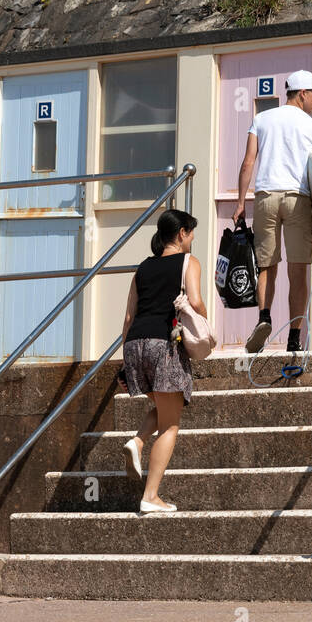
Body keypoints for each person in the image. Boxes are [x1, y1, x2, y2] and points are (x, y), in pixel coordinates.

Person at [233, 69, 312, 353]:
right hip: (297, 198)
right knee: (298, 268)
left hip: (265, 196)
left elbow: (248, 163)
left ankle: (264, 318)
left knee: (267, 265)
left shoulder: (261, 119)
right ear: (302, 94)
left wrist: (241, 203)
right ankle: (293, 339)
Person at [119, 209, 206, 512]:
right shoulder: (188, 262)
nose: (192, 239)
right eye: (191, 233)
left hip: (135, 346)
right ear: (181, 233)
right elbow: (194, 301)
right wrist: (203, 320)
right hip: (164, 344)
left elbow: (129, 317)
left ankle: (138, 442)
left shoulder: (142, 268)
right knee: (170, 425)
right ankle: (150, 496)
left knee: (165, 405)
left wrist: (124, 363)